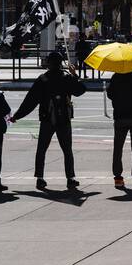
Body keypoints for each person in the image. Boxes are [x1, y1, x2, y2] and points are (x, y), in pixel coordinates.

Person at [11, 50, 86, 190]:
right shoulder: (67, 78)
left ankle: (40, 178)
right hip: (64, 119)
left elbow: (30, 101)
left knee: (41, 149)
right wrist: (75, 74)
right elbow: (81, 90)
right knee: (67, 150)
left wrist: (17, 116)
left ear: (49, 63)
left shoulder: (43, 80)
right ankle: (70, 178)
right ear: (61, 63)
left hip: (47, 119)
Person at [106, 67, 132, 189]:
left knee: (118, 148)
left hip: (120, 115)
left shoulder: (116, 77)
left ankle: (118, 178)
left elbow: (110, 94)